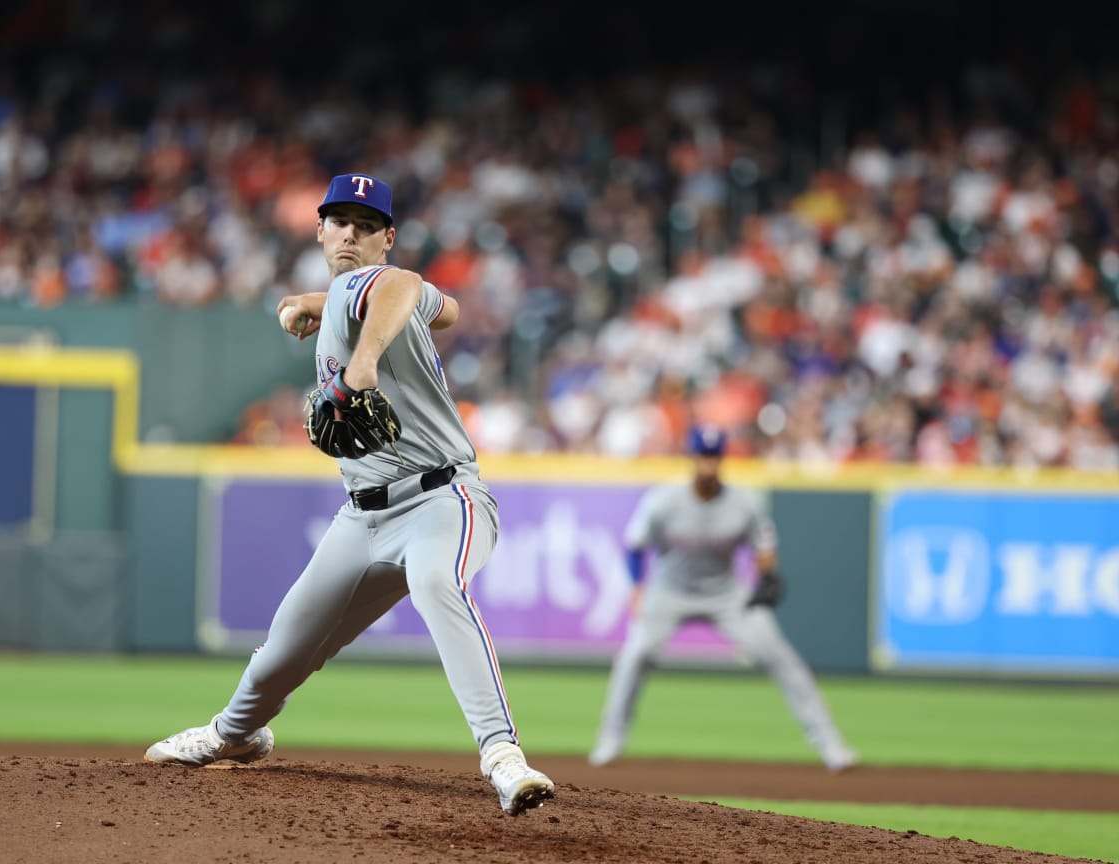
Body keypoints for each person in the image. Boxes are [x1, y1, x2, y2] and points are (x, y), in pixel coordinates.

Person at [145, 174, 556, 815]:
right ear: (319, 229)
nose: (351, 235)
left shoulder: (381, 283)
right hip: (361, 518)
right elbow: (446, 308)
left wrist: (361, 361)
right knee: (282, 652)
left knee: (437, 584)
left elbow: (405, 285)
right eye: (340, 222)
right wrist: (314, 301)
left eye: (367, 227)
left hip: (442, 500)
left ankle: (503, 757)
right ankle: (234, 734)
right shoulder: (349, 295)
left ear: (387, 239)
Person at [589, 425, 858, 772]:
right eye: (702, 456)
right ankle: (610, 741)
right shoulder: (664, 500)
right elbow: (635, 546)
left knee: (781, 658)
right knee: (634, 655)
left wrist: (767, 573)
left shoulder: (744, 502)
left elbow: (764, 546)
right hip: (669, 592)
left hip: (727, 595)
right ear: (691, 457)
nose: (708, 464)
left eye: (714, 457)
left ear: (722, 459)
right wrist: (637, 590)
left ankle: (832, 746)